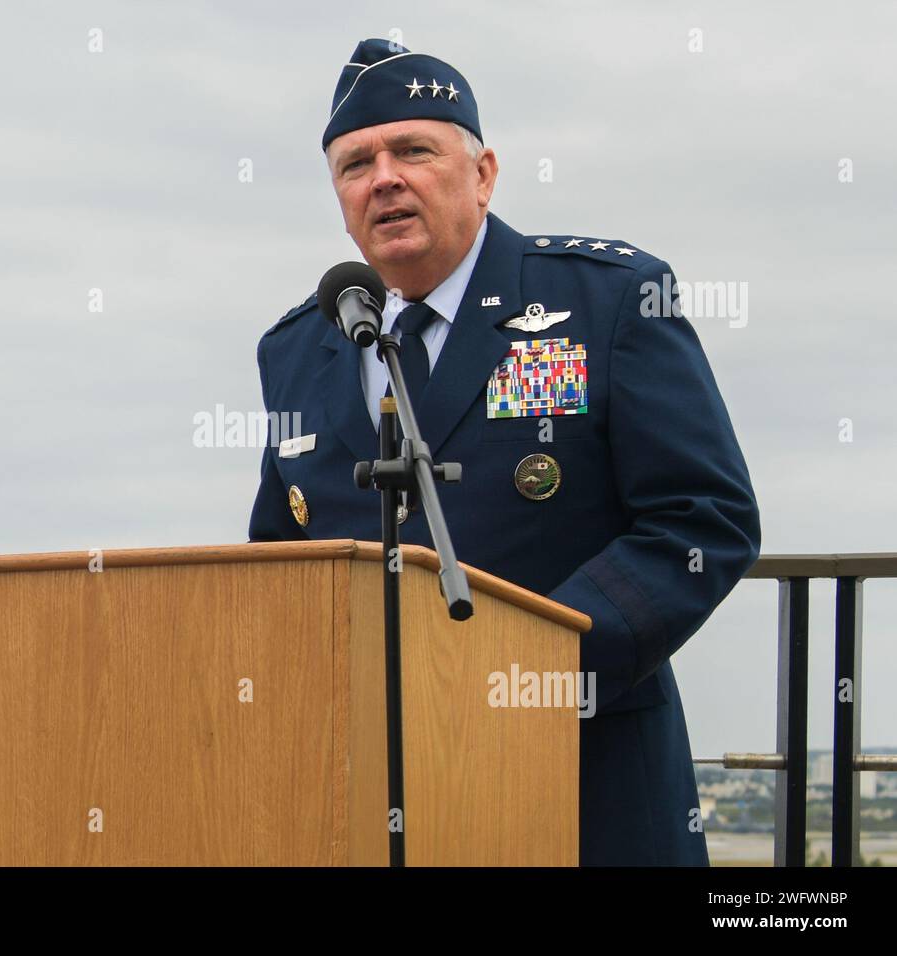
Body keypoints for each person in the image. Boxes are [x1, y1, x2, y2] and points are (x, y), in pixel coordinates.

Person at [248, 38, 761, 865]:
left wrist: (528, 671)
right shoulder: (298, 349)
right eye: (355, 164)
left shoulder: (608, 302)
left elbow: (703, 522)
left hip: (579, 786)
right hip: (367, 800)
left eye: (413, 150)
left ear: (483, 173)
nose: (384, 178)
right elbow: (278, 560)